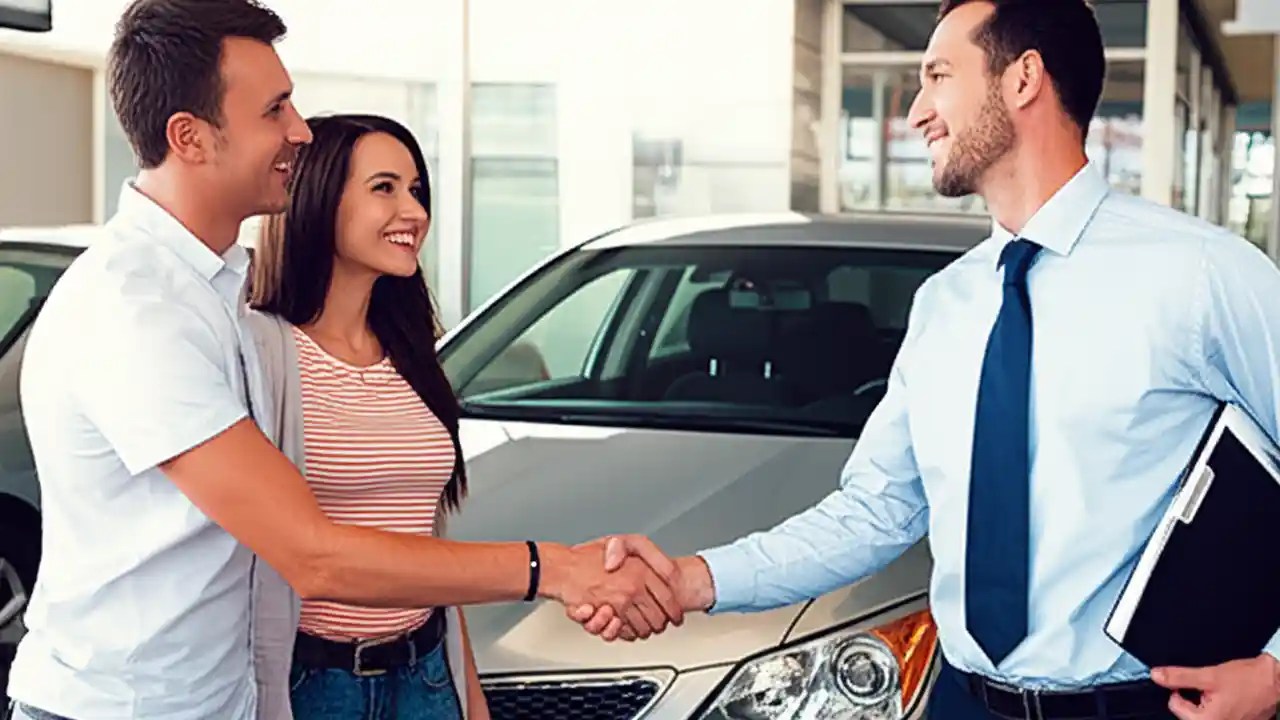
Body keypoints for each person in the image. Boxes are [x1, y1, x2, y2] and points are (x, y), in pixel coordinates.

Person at [574, 1, 1280, 719]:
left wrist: (1279, 671)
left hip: (1146, 709)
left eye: (938, 75)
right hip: (958, 702)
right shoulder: (948, 303)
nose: (917, 112)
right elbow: (876, 512)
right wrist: (692, 580)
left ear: (1024, 78)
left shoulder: (1201, 276)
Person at [4, 2, 682, 719]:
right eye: (275, 110)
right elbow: (313, 553)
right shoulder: (135, 308)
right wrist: (555, 568)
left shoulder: (218, 290)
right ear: (190, 138)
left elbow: (399, 525)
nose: (300, 130)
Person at [244, 113, 489, 719]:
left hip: (427, 676)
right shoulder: (261, 351)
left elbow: (425, 541)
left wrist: (469, 695)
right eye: (385, 188)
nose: (415, 212)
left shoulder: (411, 354)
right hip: (311, 685)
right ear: (319, 198)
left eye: (416, 191)